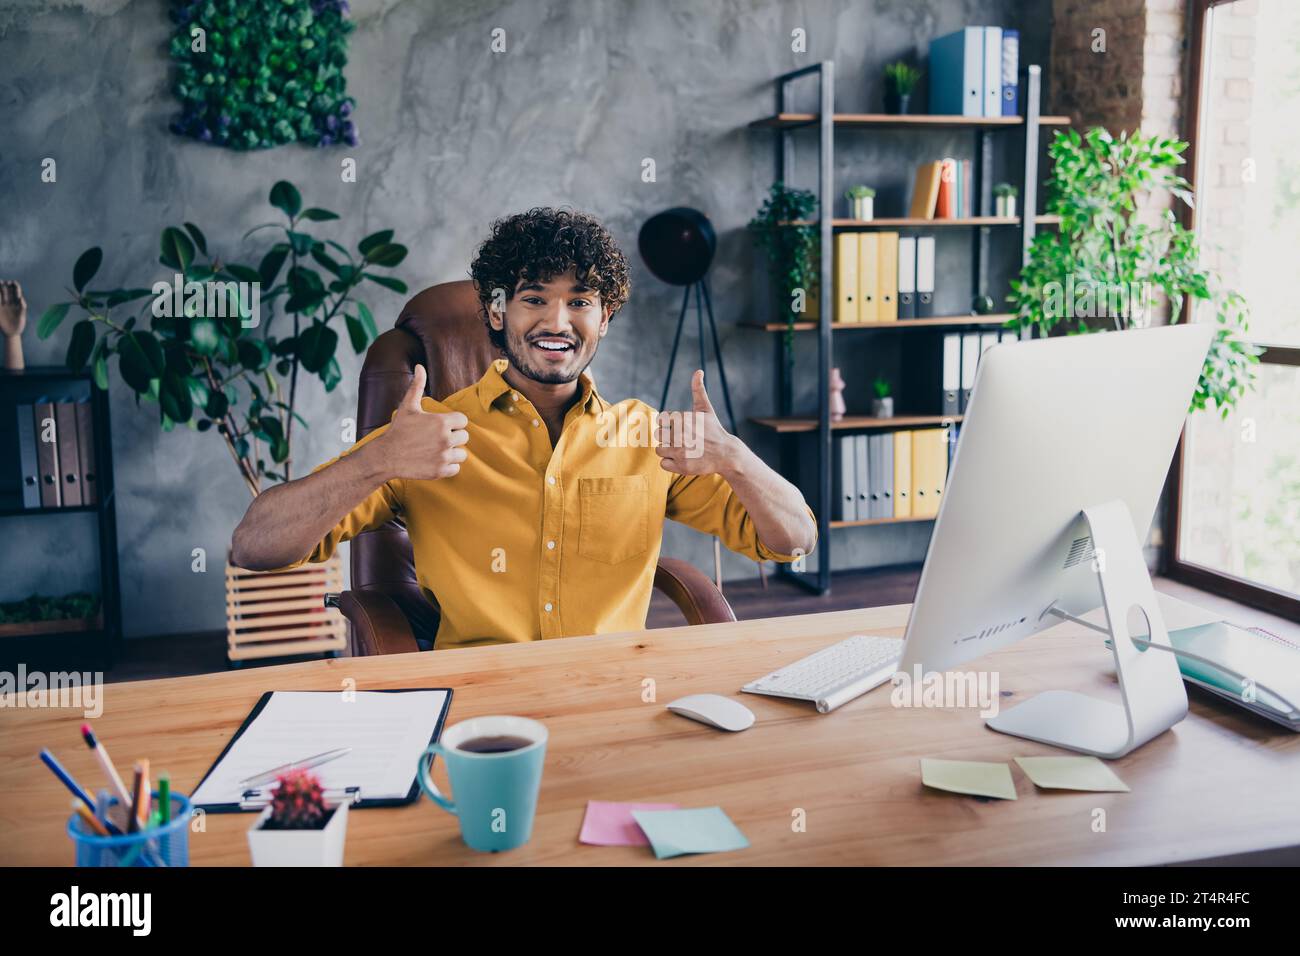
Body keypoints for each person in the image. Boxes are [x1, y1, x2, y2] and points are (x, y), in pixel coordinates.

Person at [231, 207, 816, 650]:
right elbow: (254, 548)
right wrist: (378, 459)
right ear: (495, 312)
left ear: (604, 319)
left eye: (580, 301)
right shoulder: (425, 435)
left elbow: (793, 541)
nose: (556, 322)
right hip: (481, 713)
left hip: (612, 700)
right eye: (533, 298)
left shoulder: (647, 437)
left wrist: (735, 457)